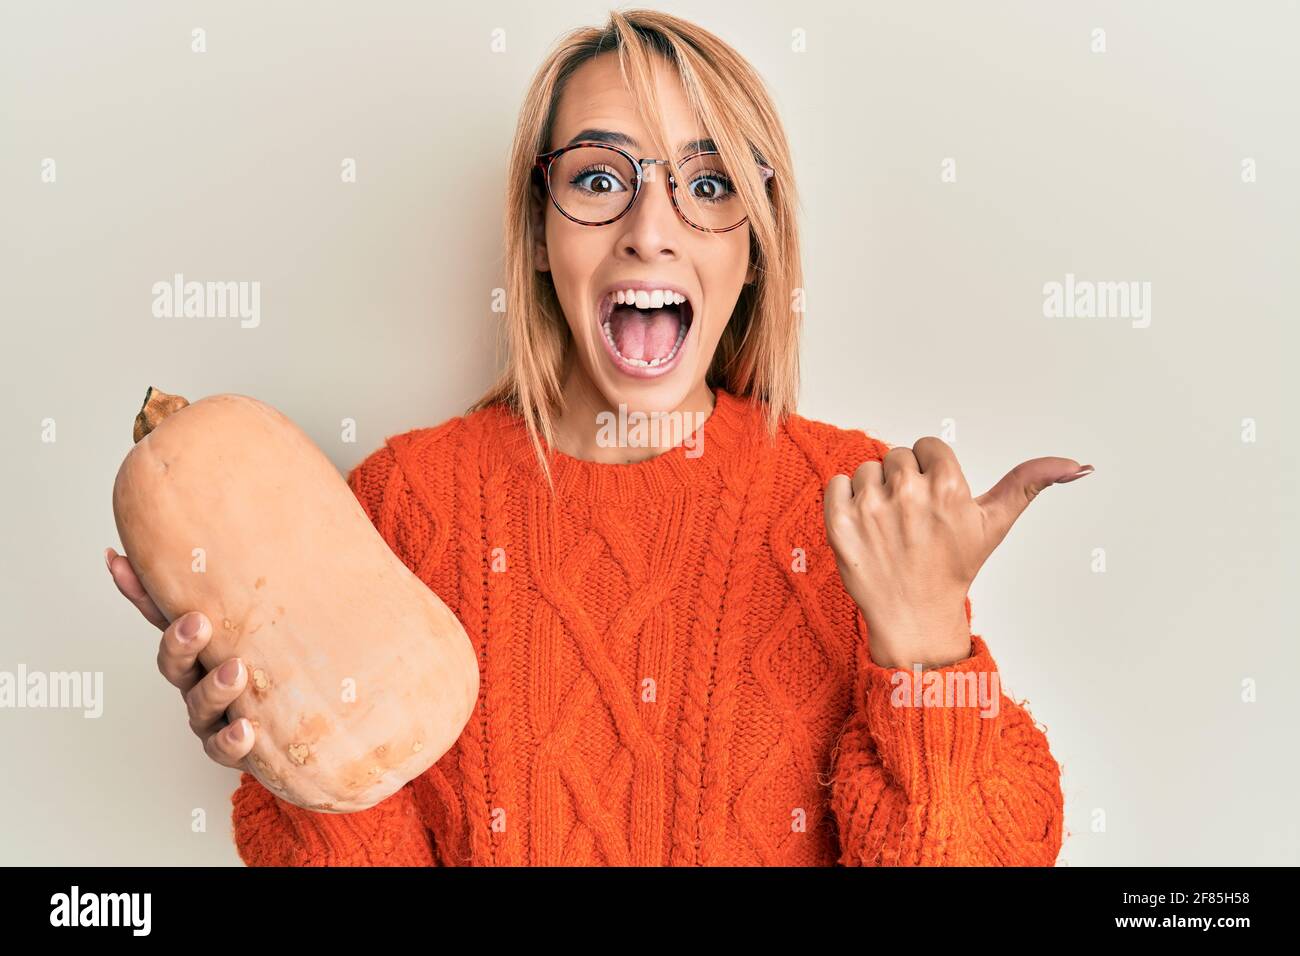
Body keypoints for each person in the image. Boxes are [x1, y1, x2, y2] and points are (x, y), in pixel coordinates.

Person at [105, 9, 1091, 866]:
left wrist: (925, 641)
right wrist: (287, 749)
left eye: (707, 186)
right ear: (539, 235)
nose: (649, 229)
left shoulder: (850, 503)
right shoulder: (405, 503)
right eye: (597, 176)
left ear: (754, 248)